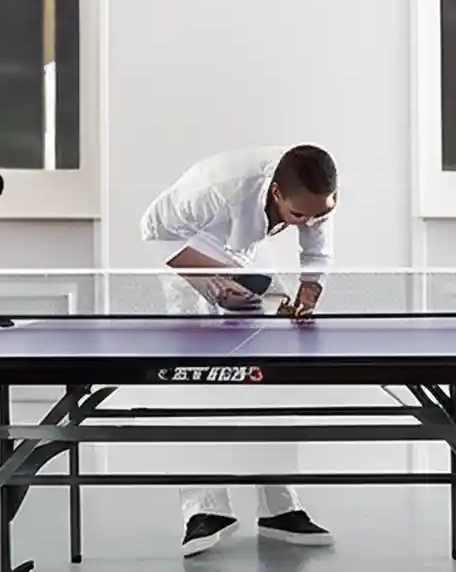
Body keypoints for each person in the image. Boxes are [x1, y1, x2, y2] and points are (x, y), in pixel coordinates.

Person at [139, 145, 339, 557]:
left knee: (272, 385)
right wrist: (211, 277)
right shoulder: (214, 186)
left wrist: (311, 284)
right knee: (197, 388)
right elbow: (152, 228)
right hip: (189, 254)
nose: (311, 222)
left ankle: (280, 510)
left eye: (320, 214)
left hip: (244, 254)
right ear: (277, 193)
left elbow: (316, 246)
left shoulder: (314, 199)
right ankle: (204, 512)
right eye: (300, 216)